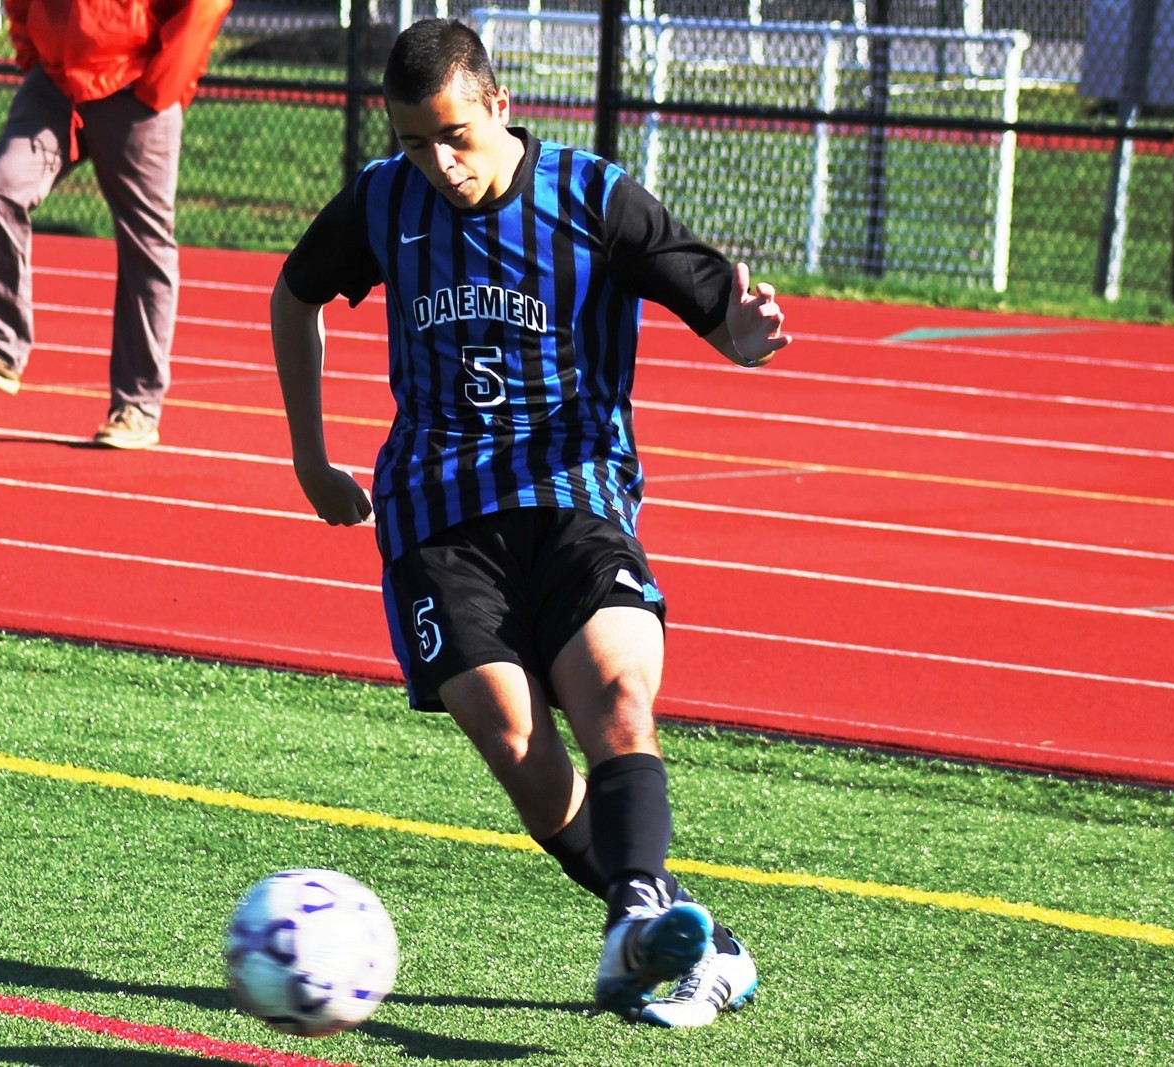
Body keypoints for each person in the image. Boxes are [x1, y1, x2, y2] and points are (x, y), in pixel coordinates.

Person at [271, 19, 792, 1028]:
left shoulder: (592, 199)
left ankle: (639, 909)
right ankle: (675, 929)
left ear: (500, 105)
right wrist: (308, 457)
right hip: (435, 517)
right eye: (415, 140)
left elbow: (714, 304)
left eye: (454, 135)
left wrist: (744, 330)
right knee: (516, 741)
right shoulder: (384, 200)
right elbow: (294, 297)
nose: (438, 162)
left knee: (615, 698)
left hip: (573, 498)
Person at [0, 0, 231, 449]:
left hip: (135, 82)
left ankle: (138, 407)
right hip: (54, 82)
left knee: (145, 244)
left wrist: (163, 83)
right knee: (1, 187)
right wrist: (35, 56)